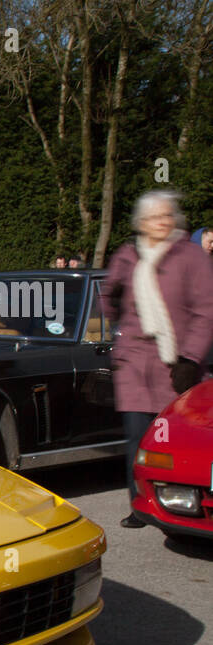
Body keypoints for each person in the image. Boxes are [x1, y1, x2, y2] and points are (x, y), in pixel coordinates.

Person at [102, 189, 213, 529]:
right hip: (135, 361)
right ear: (141, 223)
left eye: (167, 215)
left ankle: (185, 503)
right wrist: (112, 298)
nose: (161, 222)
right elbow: (108, 301)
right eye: (153, 217)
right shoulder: (127, 254)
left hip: (175, 362)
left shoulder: (191, 257)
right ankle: (139, 504)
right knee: (137, 436)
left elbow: (205, 311)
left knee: (176, 438)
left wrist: (190, 358)